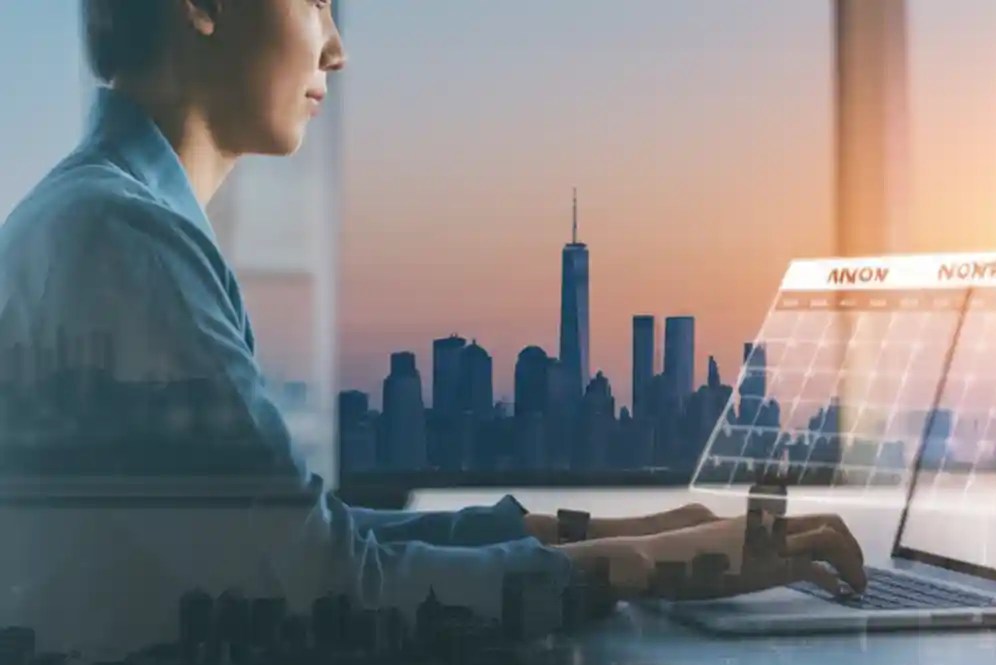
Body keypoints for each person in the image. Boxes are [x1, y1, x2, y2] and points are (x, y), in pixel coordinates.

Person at [0, 0, 865, 632]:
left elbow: (295, 536)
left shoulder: (96, 218)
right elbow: (325, 583)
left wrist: (618, 528)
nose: (335, 49)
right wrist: (649, 568)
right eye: (315, 2)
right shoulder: (124, 239)